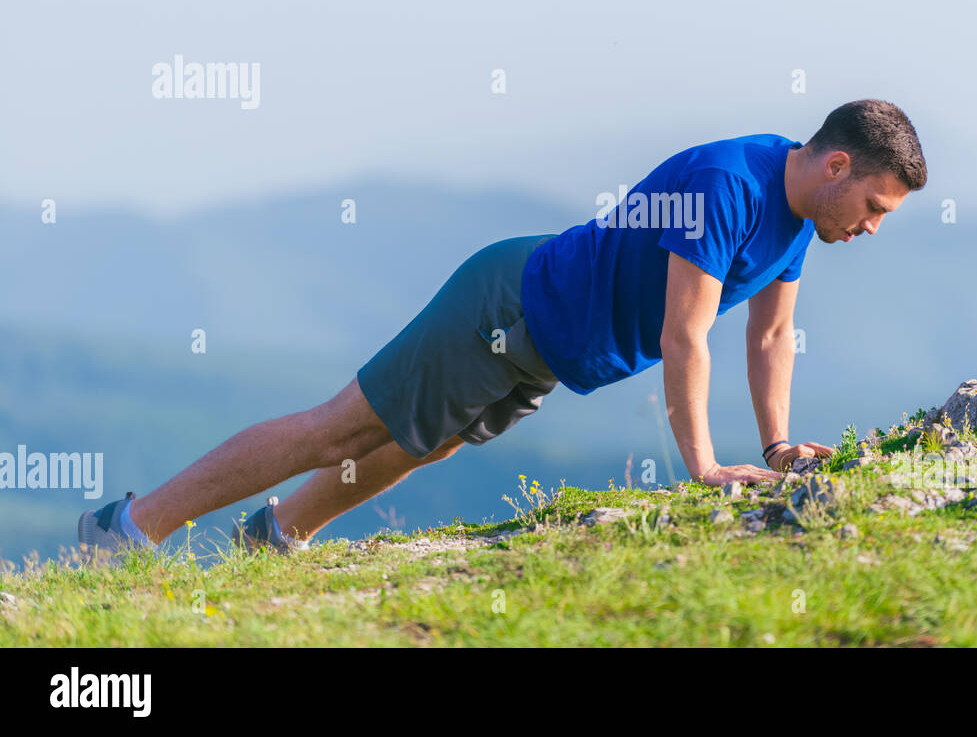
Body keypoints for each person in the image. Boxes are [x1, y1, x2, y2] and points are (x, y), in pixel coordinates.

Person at [77, 99, 926, 562]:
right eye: (876, 208)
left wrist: (777, 446)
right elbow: (686, 335)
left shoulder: (796, 222)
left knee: (424, 444)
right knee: (341, 424)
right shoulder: (727, 182)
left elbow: (773, 337)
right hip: (506, 306)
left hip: (547, 346)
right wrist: (702, 466)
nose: (873, 229)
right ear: (838, 164)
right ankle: (128, 528)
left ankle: (275, 537)